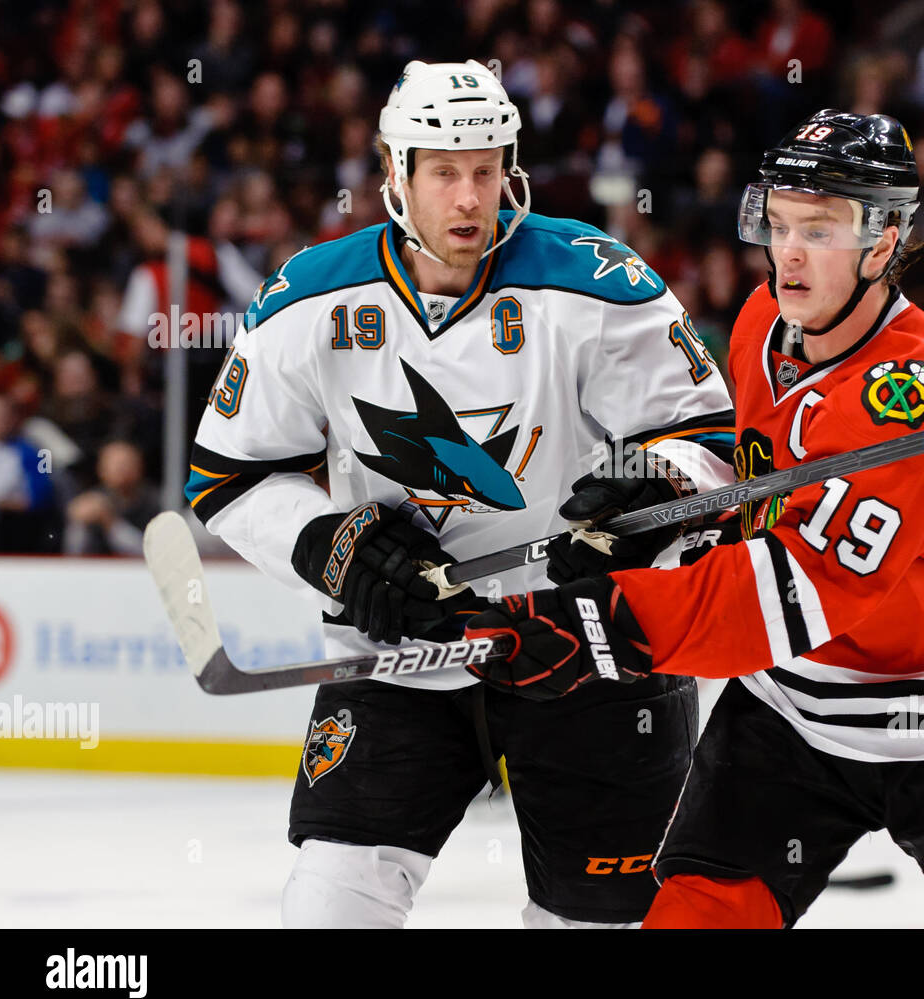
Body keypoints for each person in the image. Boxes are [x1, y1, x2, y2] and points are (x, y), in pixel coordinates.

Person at [466, 110, 924, 930]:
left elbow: (804, 584)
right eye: (779, 223)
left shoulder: (917, 387)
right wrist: (666, 488)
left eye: (820, 228)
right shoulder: (763, 323)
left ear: (882, 243)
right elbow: (759, 471)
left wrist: (610, 622)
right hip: (796, 705)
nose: (790, 251)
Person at [186, 60, 734, 929]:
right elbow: (230, 477)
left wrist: (649, 493)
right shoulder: (310, 298)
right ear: (394, 172)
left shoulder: (597, 281)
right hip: (403, 656)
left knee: (599, 924)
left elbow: (711, 448)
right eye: (443, 171)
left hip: (590, 651)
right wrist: (334, 547)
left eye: (485, 168)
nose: (469, 197)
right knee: (331, 913)